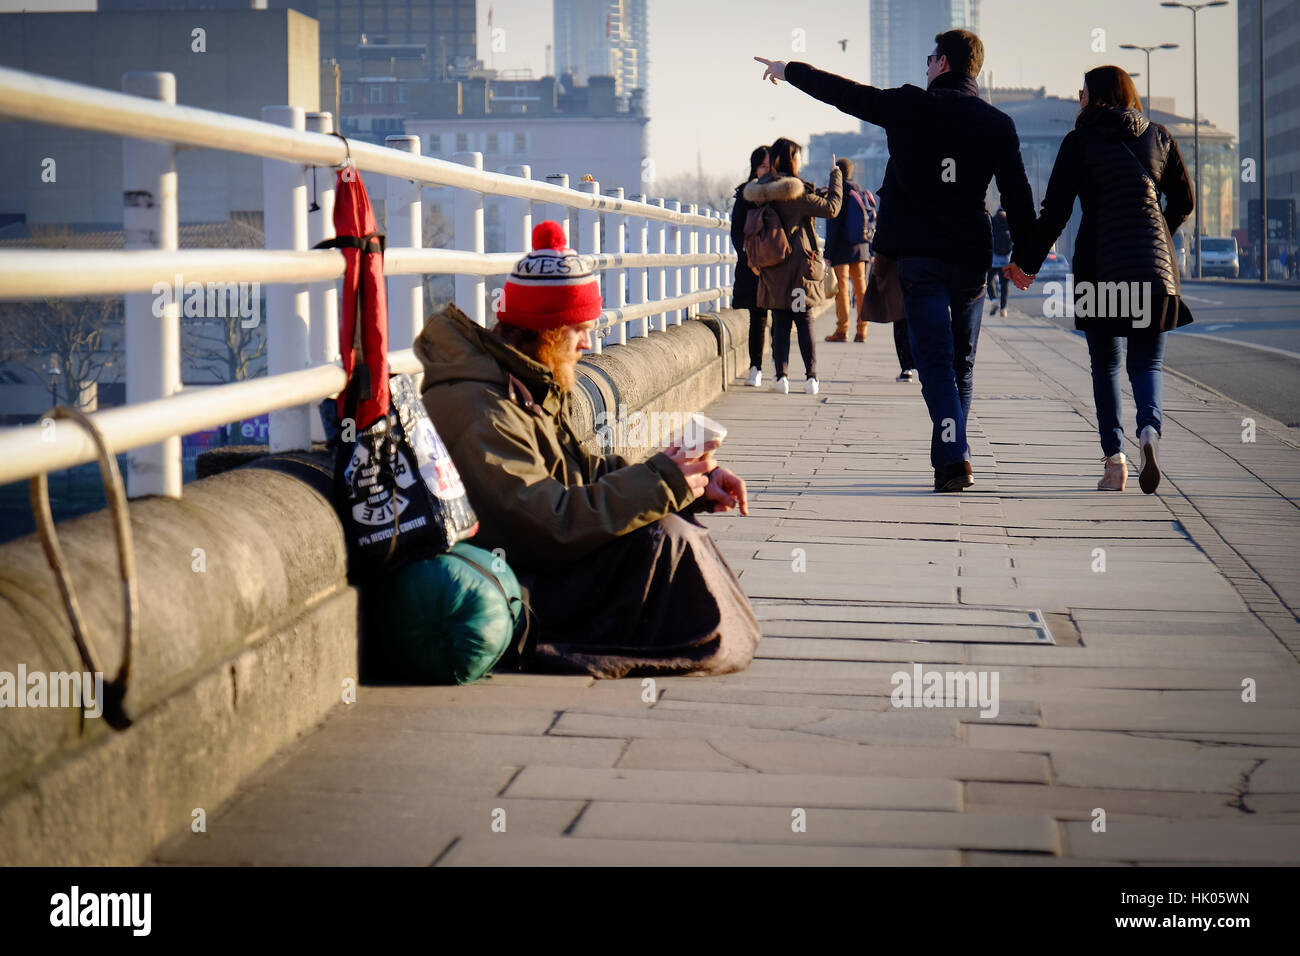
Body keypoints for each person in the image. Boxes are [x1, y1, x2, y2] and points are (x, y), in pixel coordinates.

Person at [415, 221, 762, 677]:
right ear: (548, 332)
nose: (588, 343)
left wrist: (686, 481)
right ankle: (691, 641)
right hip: (524, 585)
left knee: (673, 521)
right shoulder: (484, 407)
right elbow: (546, 525)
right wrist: (660, 481)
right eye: (578, 330)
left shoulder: (522, 381)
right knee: (664, 542)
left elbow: (580, 471)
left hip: (542, 558)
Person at [757, 28, 1036, 492]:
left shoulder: (909, 106)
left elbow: (846, 94)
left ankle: (953, 456)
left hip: (920, 255)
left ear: (943, 63)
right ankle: (953, 453)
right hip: (970, 255)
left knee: (934, 358)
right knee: (961, 362)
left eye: (930, 59)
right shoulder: (996, 124)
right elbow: (1018, 198)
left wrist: (791, 71)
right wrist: (1025, 258)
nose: (926, 66)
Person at [1007, 66, 1194, 495]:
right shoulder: (1159, 136)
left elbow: (1055, 213)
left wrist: (1026, 264)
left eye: (1083, 92)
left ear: (1098, 96)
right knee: (1147, 362)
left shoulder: (1078, 142)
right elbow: (1184, 201)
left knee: (1106, 364)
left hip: (1099, 267)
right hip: (1153, 268)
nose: (1079, 99)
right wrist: (1156, 233)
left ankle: (1116, 464)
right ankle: (1149, 431)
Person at [742, 137, 843, 395]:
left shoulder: (761, 193)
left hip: (772, 267)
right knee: (804, 319)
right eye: (798, 156)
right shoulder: (796, 191)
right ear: (790, 159)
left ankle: (781, 377)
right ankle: (811, 378)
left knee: (781, 322)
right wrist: (835, 178)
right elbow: (832, 208)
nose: (800, 161)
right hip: (799, 270)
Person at [861, 159, 916, 381]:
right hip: (922, 262)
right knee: (919, 316)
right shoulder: (923, 200)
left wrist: (879, 269)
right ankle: (923, 362)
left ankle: (906, 366)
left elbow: (882, 239)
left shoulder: (891, 205)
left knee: (900, 317)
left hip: (896, 265)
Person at [731, 145, 771, 387]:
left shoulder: (780, 191)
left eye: (770, 166)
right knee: (758, 316)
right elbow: (736, 232)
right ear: (755, 167)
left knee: (783, 316)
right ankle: (755, 367)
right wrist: (750, 260)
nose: (766, 171)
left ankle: (781, 369)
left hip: (778, 265)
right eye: (763, 166)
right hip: (753, 264)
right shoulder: (747, 193)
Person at [824, 157, 874, 343]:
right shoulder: (859, 190)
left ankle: (842, 330)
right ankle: (862, 330)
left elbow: (833, 225)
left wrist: (828, 254)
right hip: (860, 248)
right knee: (860, 289)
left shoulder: (838, 192)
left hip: (842, 249)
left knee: (842, 289)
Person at [987, 207, 1012, 315]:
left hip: (994, 258)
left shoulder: (993, 221)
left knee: (988, 280)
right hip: (1006, 259)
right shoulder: (1009, 222)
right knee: (1004, 284)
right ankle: (1003, 308)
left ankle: (993, 299)